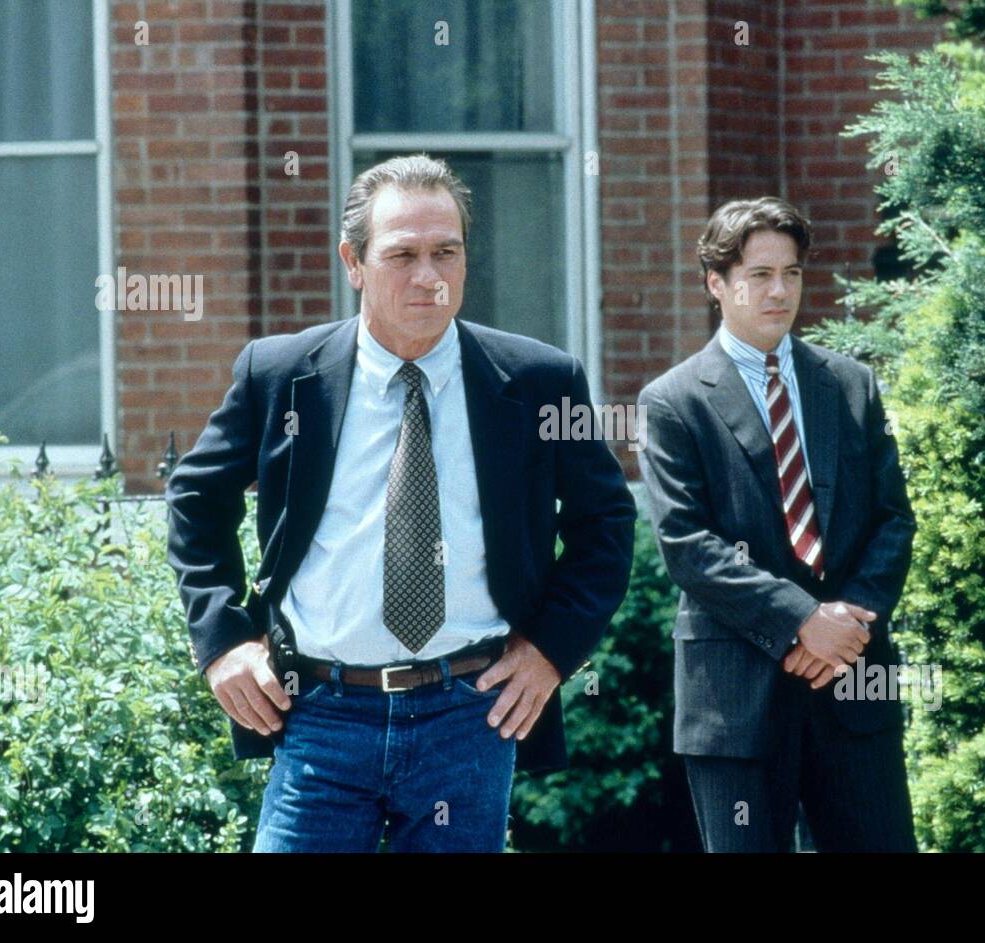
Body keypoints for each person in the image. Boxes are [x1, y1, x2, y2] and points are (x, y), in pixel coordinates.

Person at [166, 154, 636, 852]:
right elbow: (196, 496)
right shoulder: (282, 374)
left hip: (469, 715)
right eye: (403, 255)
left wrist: (550, 650)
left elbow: (606, 524)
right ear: (353, 262)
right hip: (320, 714)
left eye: (446, 252)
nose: (429, 276)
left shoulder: (539, 382)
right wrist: (224, 642)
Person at [636, 196, 918, 852]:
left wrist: (845, 625)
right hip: (738, 699)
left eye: (791, 273)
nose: (779, 290)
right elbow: (687, 544)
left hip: (852, 685)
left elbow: (893, 520)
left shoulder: (851, 386)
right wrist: (801, 619)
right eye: (759, 274)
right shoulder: (674, 403)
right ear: (716, 283)